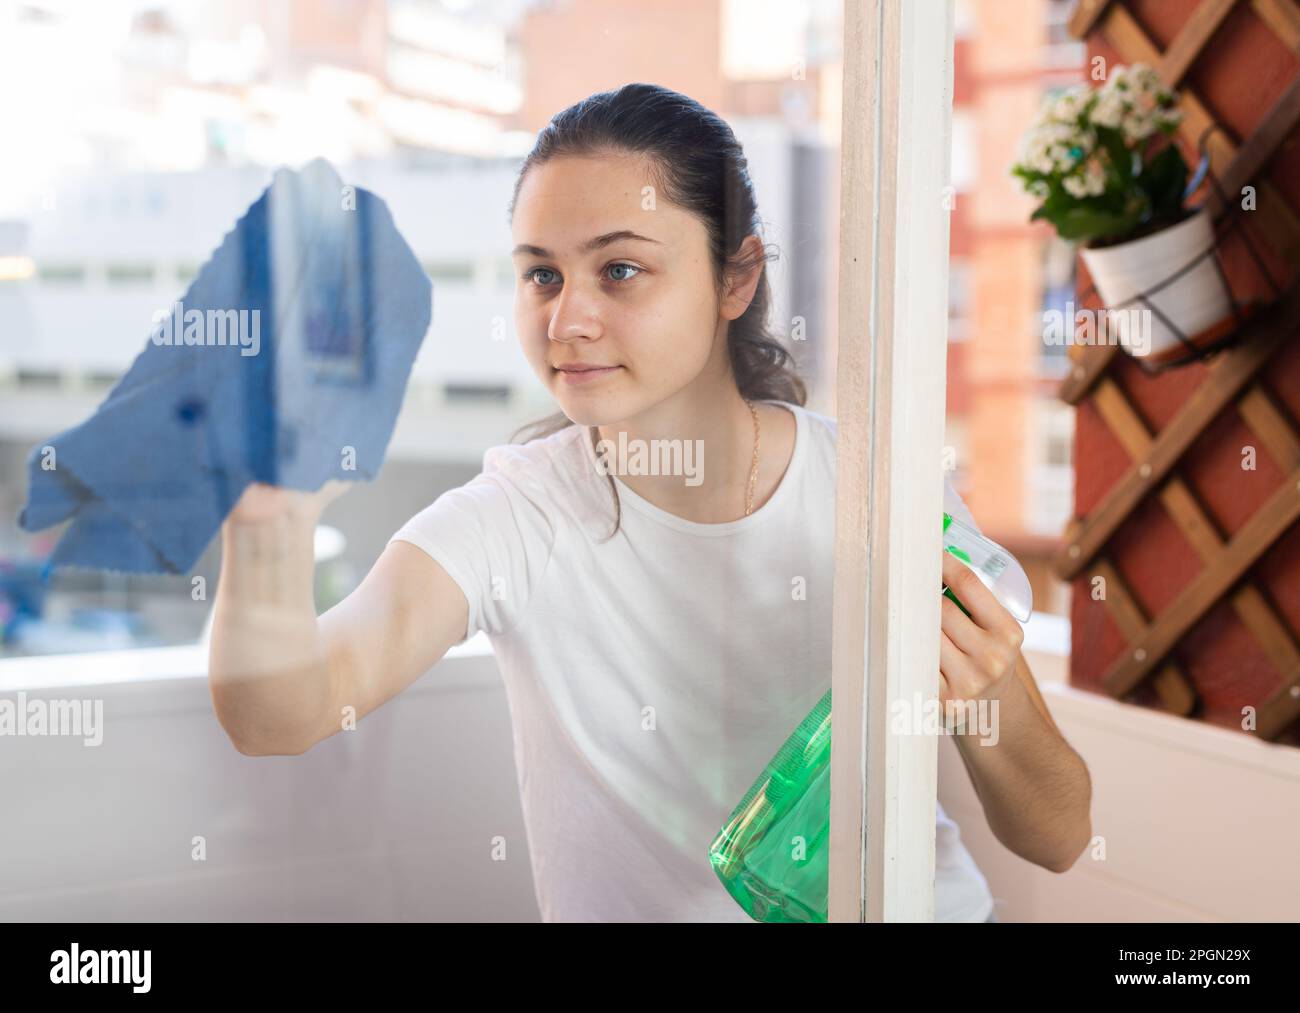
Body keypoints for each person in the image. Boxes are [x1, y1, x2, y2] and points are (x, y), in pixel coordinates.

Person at [208, 82, 1091, 923]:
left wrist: (988, 691)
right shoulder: (518, 515)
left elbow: (1056, 836)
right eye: (542, 276)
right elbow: (283, 711)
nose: (567, 321)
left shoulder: (875, 489)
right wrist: (270, 518)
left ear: (735, 279)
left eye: (620, 269)